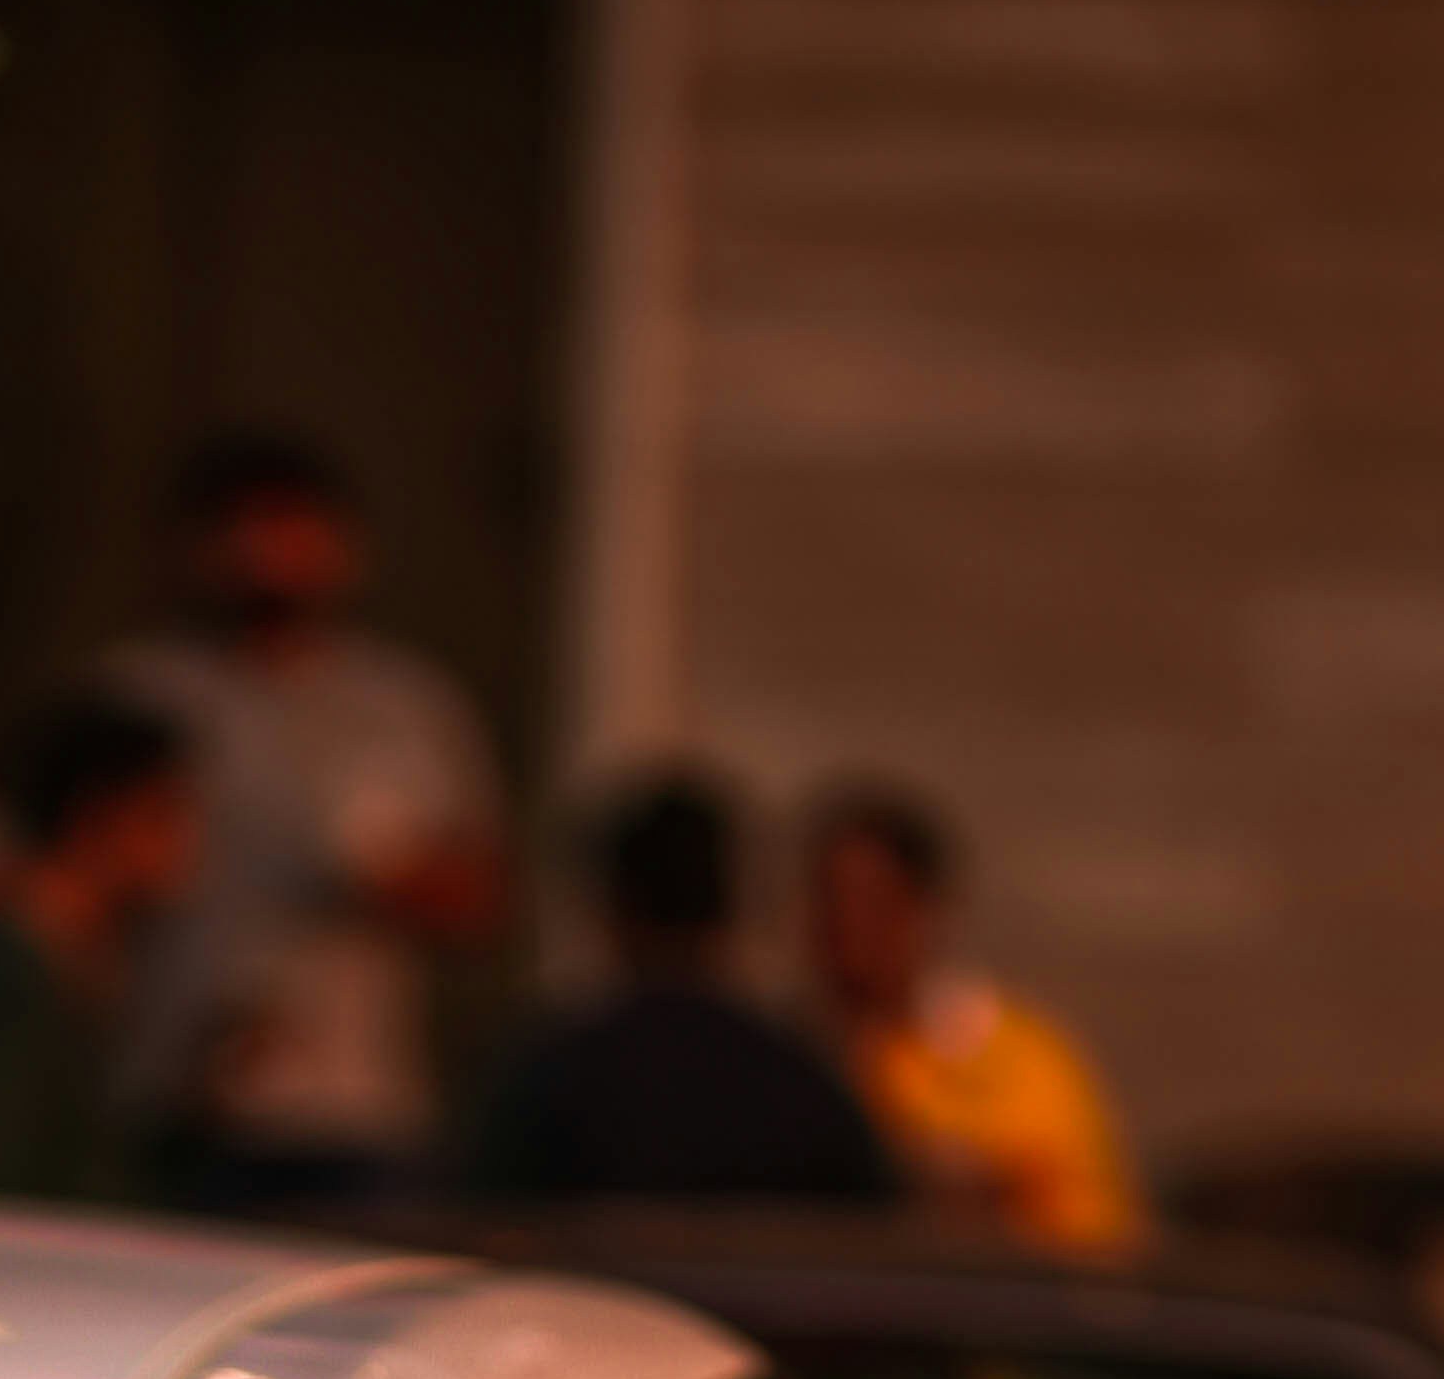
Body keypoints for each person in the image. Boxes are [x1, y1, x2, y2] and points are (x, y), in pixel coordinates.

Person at [103, 430, 503, 1207]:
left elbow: (481, 898)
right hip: (188, 1101)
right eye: (245, 527)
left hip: (360, 1109)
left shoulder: (406, 705)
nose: (269, 552)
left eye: (292, 526)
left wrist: (398, 885)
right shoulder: (146, 695)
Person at [474, 770, 896, 1205]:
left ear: (614, 908)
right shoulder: (805, 1083)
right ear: (732, 906)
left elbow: (479, 1219)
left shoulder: (548, 1079)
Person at [801, 785, 1141, 1252]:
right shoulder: (785, 1056)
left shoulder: (1016, 1056)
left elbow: (1091, 1232)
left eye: (876, 903)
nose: (849, 928)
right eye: (834, 902)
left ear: (927, 911)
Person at [0, 694, 200, 1202]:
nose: (190, 841)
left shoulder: (88, 956)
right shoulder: (7, 968)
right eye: (163, 813)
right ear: (98, 816)